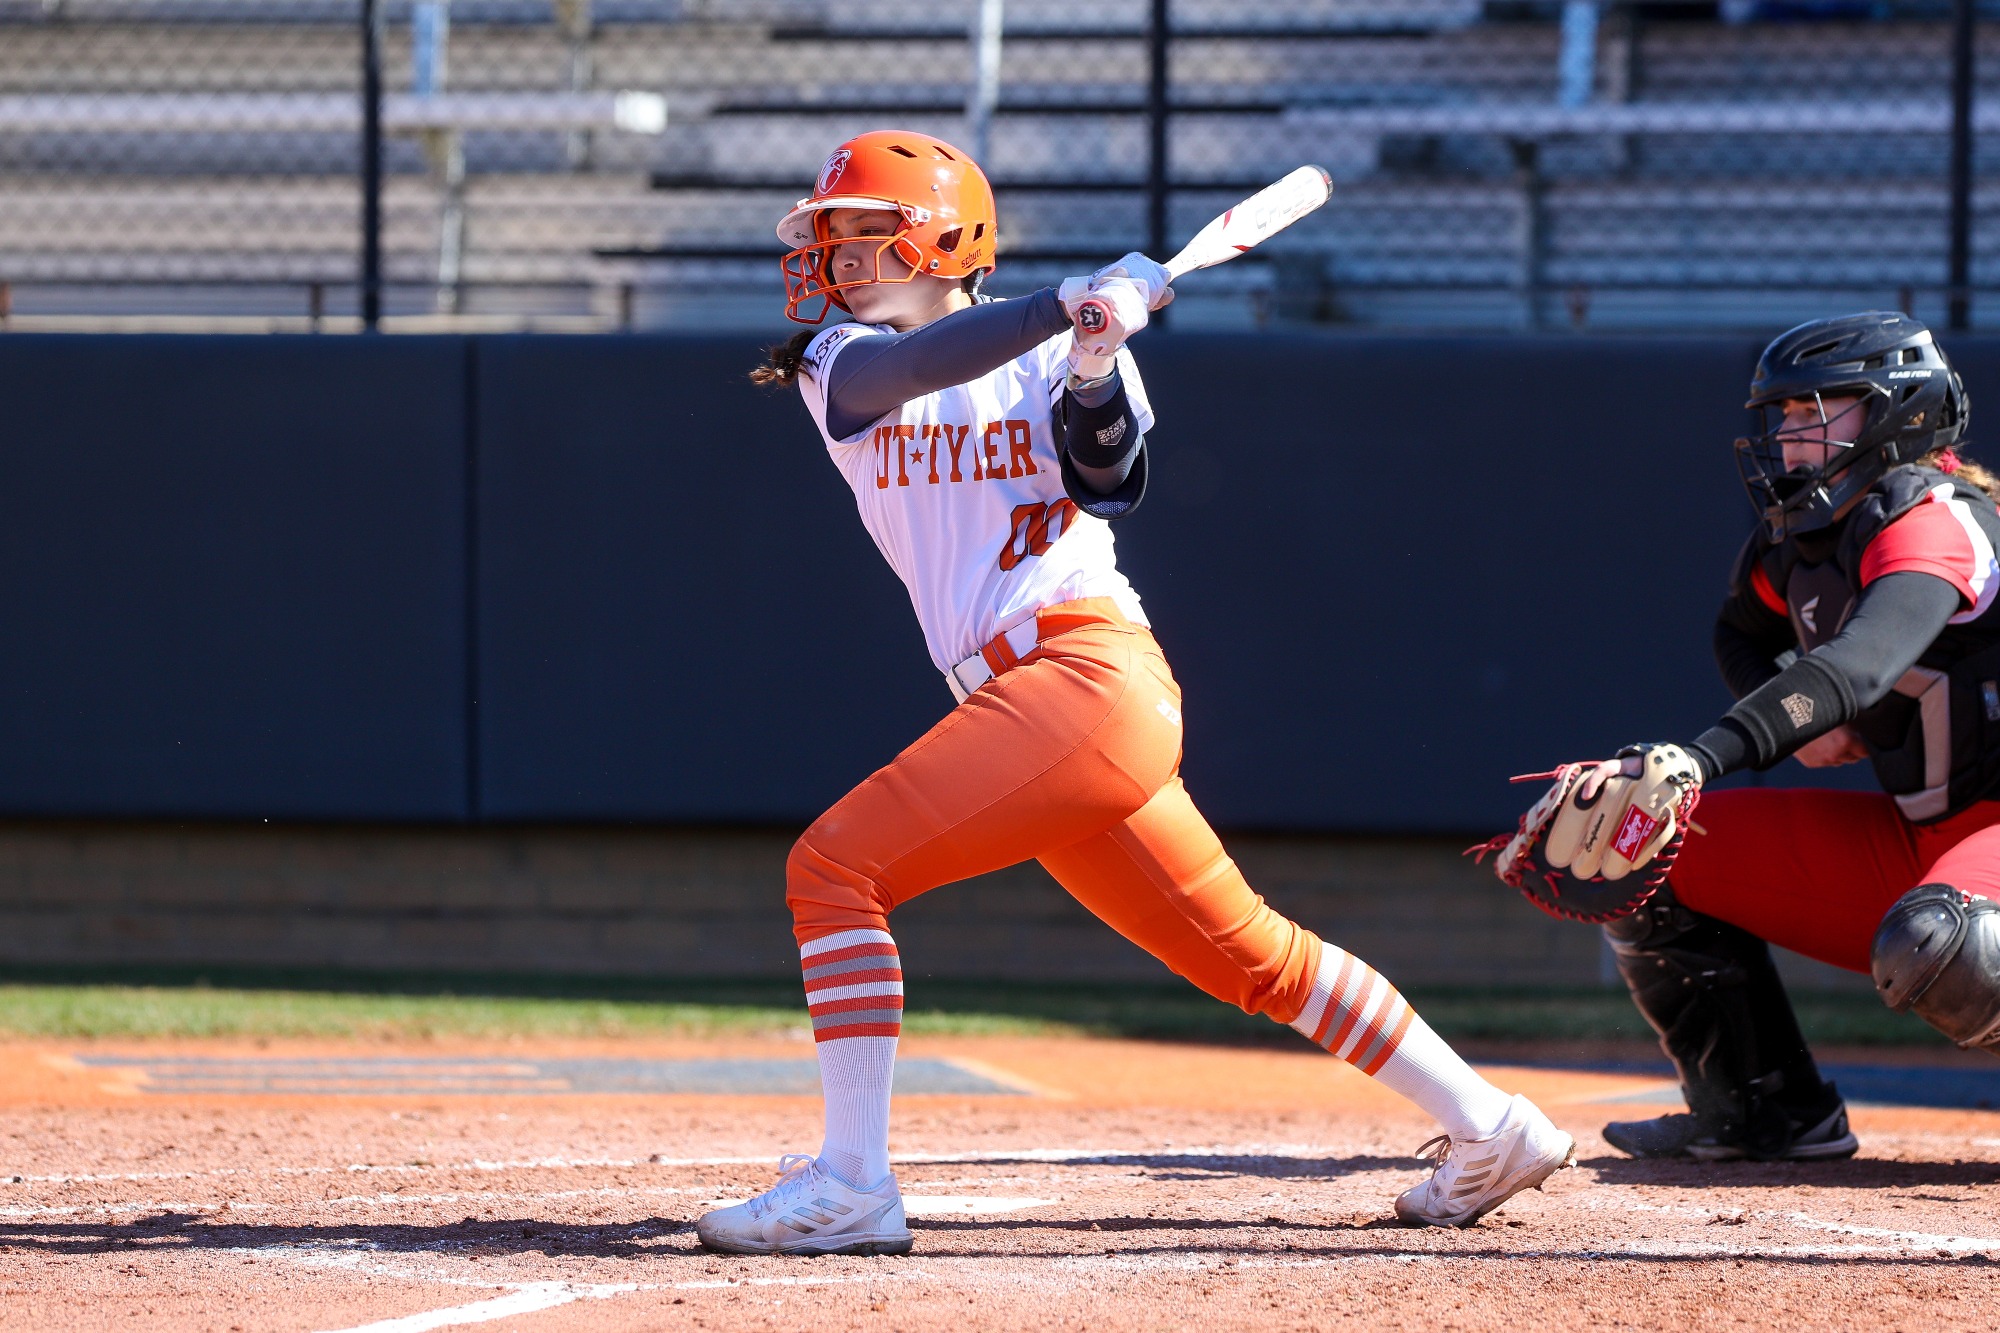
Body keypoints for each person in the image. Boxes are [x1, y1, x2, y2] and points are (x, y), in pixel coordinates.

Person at [690, 131, 1575, 1256]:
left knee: (832, 869)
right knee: (1250, 954)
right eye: (836, 234)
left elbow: (1109, 475)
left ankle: (852, 1181)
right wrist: (1061, 306)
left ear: (943, 234)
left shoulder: (1059, 345)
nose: (842, 254)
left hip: (1081, 675)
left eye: (868, 228)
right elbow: (911, 370)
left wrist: (1096, 358)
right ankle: (1492, 1124)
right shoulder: (836, 364)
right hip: (1036, 707)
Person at [1504, 310, 2000, 1164]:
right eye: (1783, 418)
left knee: (1950, 942)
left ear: (1894, 411)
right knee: (1645, 846)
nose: (1789, 436)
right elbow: (1738, 634)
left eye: (1813, 414)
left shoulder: (1939, 519)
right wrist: (1792, 719)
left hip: (1988, 837)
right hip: (1920, 840)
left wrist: (1703, 755)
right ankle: (1764, 1109)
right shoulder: (1804, 541)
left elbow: (1859, 669)